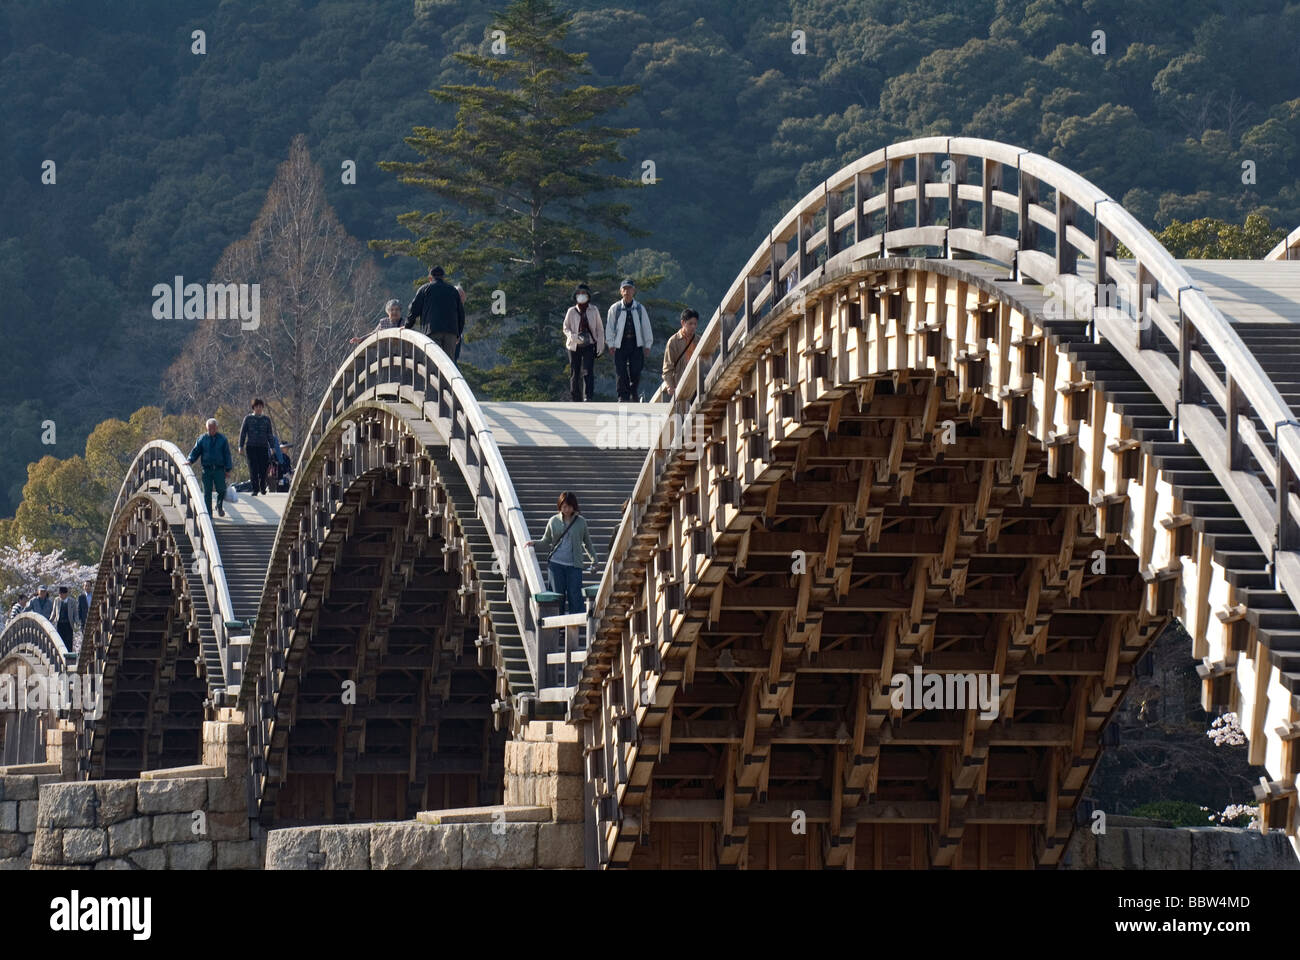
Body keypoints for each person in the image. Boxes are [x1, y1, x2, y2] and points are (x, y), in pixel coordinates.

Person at [524, 492, 597, 616]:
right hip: (556, 564)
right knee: (558, 595)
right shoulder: (553, 521)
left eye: (569, 506)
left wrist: (594, 559)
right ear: (560, 506)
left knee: (575, 594)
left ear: (574, 506)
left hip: (574, 565)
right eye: (564, 506)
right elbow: (546, 541)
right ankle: (558, 627)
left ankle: (576, 624)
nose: (566, 509)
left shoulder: (581, 522)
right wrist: (534, 543)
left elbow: (587, 543)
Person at [604, 278, 653, 402]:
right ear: (621, 291)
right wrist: (610, 344)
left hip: (636, 343)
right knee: (620, 371)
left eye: (629, 289)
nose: (627, 291)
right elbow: (609, 327)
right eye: (624, 289)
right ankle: (622, 396)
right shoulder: (615, 308)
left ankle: (633, 391)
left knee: (636, 370)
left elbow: (646, 327)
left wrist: (648, 345)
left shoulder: (639, 308)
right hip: (619, 344)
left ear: (634, 291)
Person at [406, 266, 464, 358]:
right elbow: (461, 314)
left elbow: (413, 309)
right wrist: (458, 334)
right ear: (443, 277)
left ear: (430, 278)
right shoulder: (453, 290)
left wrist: (407, 326)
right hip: (451, 332)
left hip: (432, 330)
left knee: (433, 360)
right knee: (448, 363)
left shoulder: (424, 289)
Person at [563, 284, 605, 401]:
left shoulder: (594, 310)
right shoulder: (571, 311)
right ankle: (575, 397)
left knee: (588, 371)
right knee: (575, 372)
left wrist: (601, 345)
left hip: (589, 343)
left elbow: (599, 329)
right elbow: (565, 327)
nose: (581, 296)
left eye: (584, 293)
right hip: (574, 345)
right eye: (579, 293)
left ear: (588, 296)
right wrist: (572, 337)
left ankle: (588, 396)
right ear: (575, 296)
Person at [188, 418, 234, 517]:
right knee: (207, 492)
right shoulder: (202, 439)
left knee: (221, 489)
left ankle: (219, 505)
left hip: (219, 469)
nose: (211, 431)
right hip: (207, 469)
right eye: (209, 429)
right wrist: (190, 460)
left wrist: (228, 469)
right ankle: (209, 515)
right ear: (207, 428)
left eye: (213, 428)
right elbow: (196, 451)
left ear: (217, 428)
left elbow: (227, 455)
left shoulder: (222, 439)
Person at [238, 398, 275, 497]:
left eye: (260, 407)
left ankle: (263, 487)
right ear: (253, 408)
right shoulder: (248, 419)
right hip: (251, 447)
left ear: (262, 408)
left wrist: (272, 447)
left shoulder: (266, 420)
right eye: (257, 406)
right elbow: (243, 433)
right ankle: (255, 489)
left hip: (263, 447)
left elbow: (270, 434)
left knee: (263, 469)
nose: (259, 408)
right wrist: (240, 446)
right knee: (253, 469)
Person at [661, 308, 700, 398]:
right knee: (682, 411)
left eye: (695, 324)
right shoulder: (673, 341)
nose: (693, 326)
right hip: (680, 385)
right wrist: (670, 386)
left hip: (697, 384)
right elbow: (667, 368)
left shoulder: (699, 340)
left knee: (697, 411)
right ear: (683, 323)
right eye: (690, 323)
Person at [453, 285, 467, 363]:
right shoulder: (454, 307)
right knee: (452, 360)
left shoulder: (459, 307)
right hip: (453, 336)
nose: (463, 298)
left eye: (463, 295)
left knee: (454, 358)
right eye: (460, 295)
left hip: (456, 336)